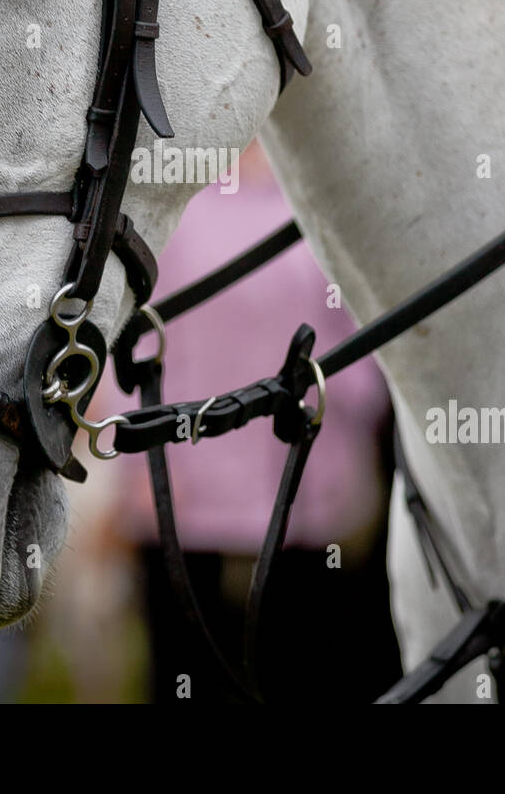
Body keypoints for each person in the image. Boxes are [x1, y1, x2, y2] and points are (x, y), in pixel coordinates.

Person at [95, 142, 402, 703]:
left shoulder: (300, 209)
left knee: (253, 677)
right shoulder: (196, 209)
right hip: (223, 513)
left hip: (268, 509)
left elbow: (360, 355)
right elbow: (129, 345)